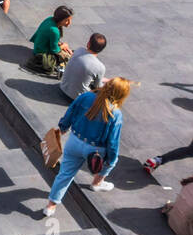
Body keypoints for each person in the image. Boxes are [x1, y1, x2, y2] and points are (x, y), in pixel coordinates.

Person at [43, 78, 132, 216]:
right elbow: (113, 142)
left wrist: (63, 127)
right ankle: (97, 183)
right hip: (96, 149)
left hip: (74, 141)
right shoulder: (115, 112)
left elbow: (71, 111)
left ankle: (51, 206)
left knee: (65, 174)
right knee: (111, 162)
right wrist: (111, 159)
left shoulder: (86, 96)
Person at [27, 5, 75, 77]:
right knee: (68, 59)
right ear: (60, 19)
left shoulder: (50, 19)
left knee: (68, 53)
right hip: (41, 52)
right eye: (67, 20)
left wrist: (62, 46)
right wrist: (63, 46)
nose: (69, 23)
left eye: (70, 20)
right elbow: (54, 50)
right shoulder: (54, 31)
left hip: (39, 46)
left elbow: (52, 40)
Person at [60, 34, 108, 100]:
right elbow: (97, 87)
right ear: (101, 49)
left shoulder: (79, 50)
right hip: (77, 98)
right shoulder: (100, 67)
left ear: (88, 44)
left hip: (63, 88)